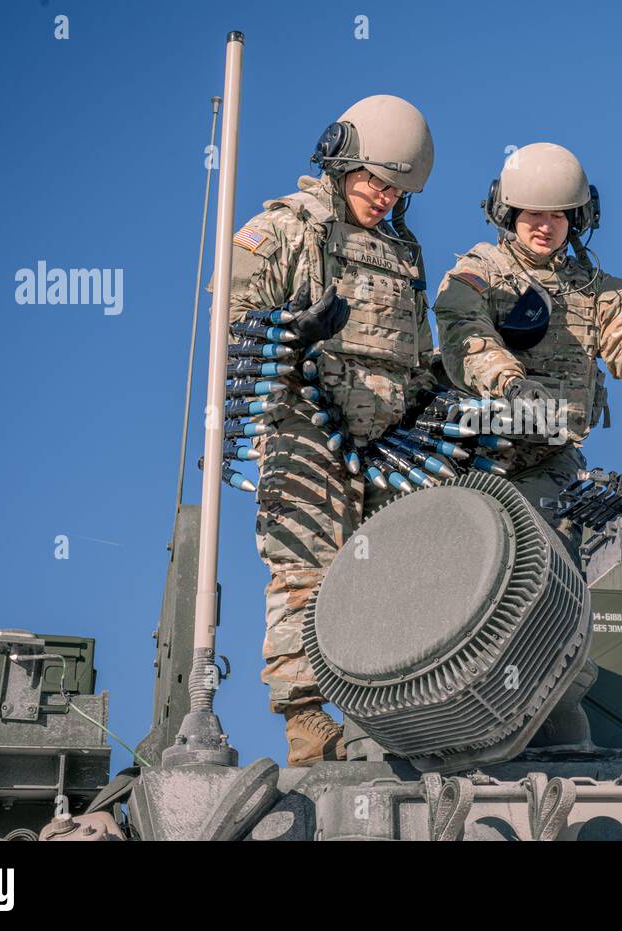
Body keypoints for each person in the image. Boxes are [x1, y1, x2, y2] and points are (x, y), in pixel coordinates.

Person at [225, 95, 436, 765]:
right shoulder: (286, 229)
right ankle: (308, 721)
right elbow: (231, 329)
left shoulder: (404, 252)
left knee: (400, 576)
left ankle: (389, 712)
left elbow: (418, 347)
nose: (383, 196)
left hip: (389, 443)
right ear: (342, 161)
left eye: (397, 187)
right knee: (306, 569)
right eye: (374, 179)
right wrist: (294, 333)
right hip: (306, 428)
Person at [433, 143, 622, 559]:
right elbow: (465, 332)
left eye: (557, 215)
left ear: (578, 218)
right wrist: (510, 383)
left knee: (549, 558)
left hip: (553, 460)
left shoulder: (601, 290)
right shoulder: (482, 270)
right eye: (534, 214)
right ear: (509, 214)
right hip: (474, 455)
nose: (545, 226)